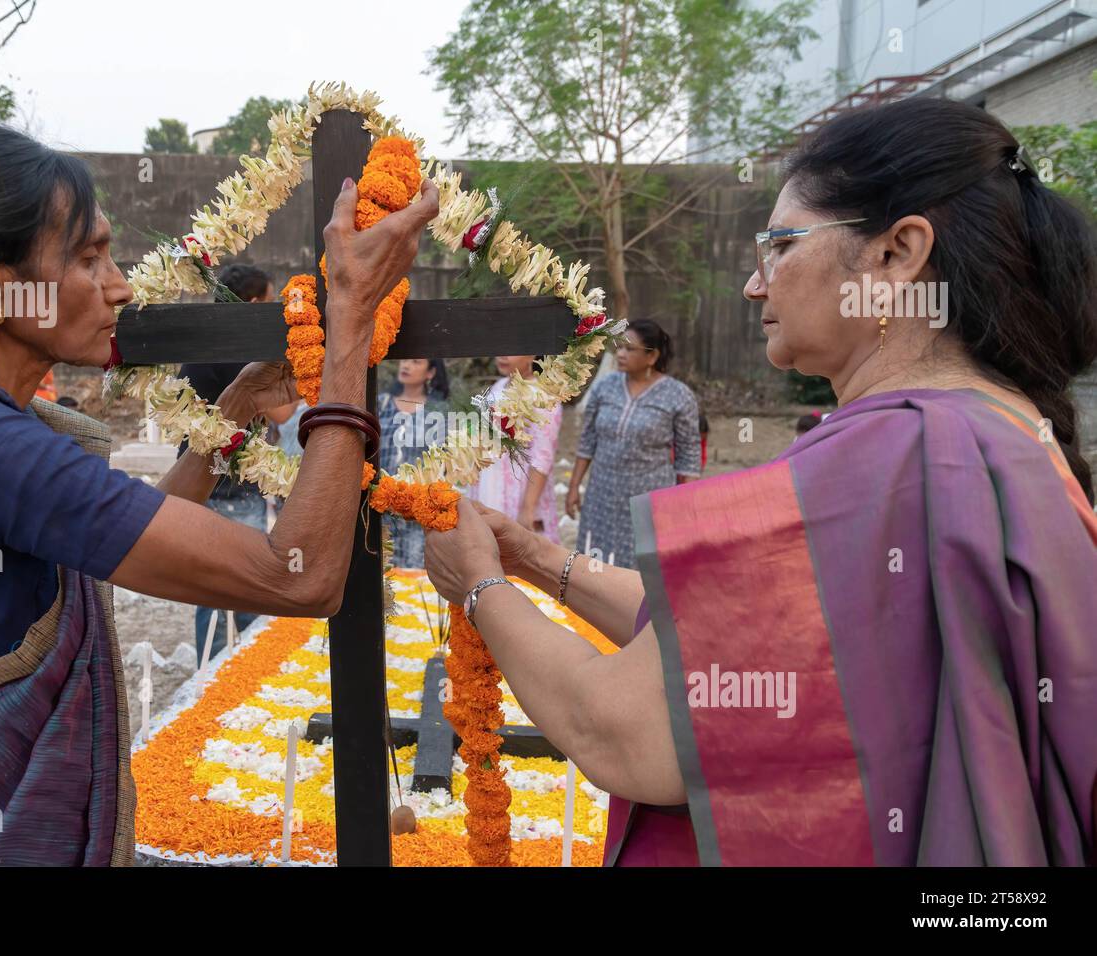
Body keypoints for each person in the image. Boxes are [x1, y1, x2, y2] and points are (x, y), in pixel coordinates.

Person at [426, 96, 1097, 866]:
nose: (755, 285)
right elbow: (738, 642)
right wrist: (537, 563)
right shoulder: (998, 432)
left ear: (896, 255)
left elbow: (621, 730)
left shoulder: (881, 457)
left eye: (778, 244)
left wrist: (478, 585)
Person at [0, 114, 438, 865]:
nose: (121, 286)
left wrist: (228, 414)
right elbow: (300, 577)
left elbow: (109, 540)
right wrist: (353, 323)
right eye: (88, 258)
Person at [178, 263, 274, 660]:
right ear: (252, 304)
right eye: (271, 303)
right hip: (228, 479)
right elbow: (281, 412)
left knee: (211, 587)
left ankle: (213, 675)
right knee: (247, 582)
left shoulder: (207, 336)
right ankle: (237, 676)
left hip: (202, 473)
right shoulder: (240, 348)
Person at [566, 321, 701, 566]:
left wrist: (685, 503)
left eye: (629, 349)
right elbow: (587, 441)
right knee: (597, 563)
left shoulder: (678, 395)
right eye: (618, 347)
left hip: (648, 497)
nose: (620, 354)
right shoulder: (605, 387)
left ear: (652, 356)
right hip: (602, 494)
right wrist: (574, 486)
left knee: (642, 567)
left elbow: (689, 455)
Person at [465, 355, 561, 542]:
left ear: (532, 353)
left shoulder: (543, 395)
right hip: (488, 478)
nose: (503, 355)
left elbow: (542, 456)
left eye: (513, 350)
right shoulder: (499, 386)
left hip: (518, 487)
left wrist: (528, 508)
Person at [376, 357, 450, 568]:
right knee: (380, 574)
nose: (406, 365)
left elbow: (444, 465)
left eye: (416, 362)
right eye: (405, 360)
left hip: (418, 515)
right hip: (379, 509)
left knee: (414, 578)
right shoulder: (379, 404)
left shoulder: (439, 412)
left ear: (431, 373)